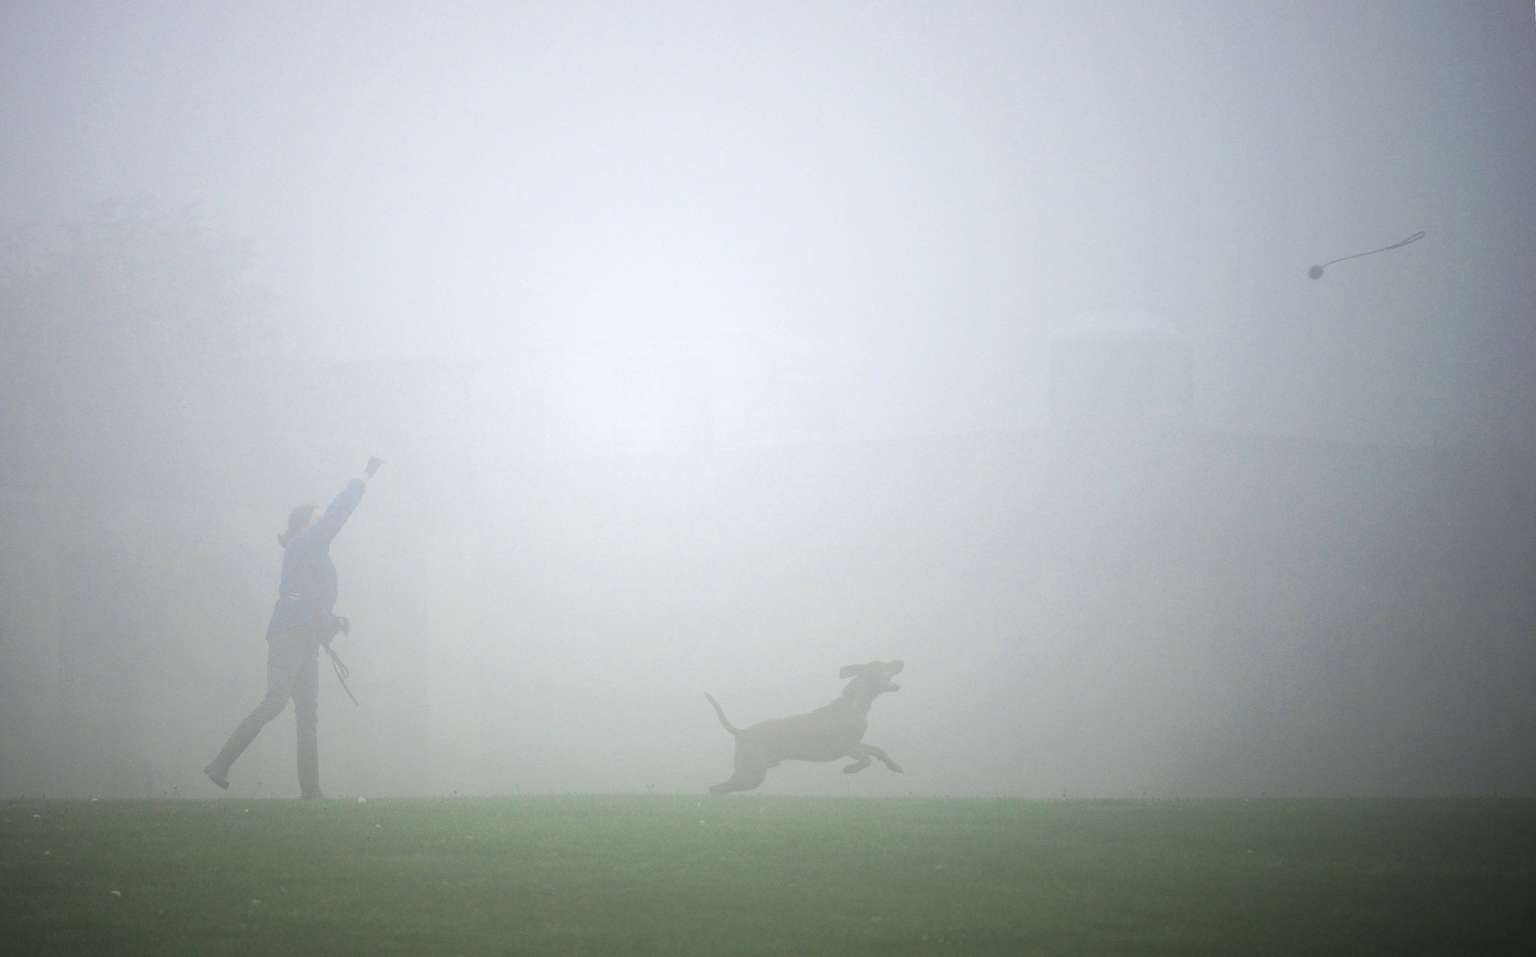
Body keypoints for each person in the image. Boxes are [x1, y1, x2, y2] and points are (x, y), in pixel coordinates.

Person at [204, 457, 383, 798]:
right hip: (290, 634)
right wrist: (363, 478)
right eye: (316, 518)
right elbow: (337, 514)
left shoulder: (310, 550)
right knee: (275, 701)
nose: (323, 522)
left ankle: (311, 792)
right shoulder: (306, 543)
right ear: (304, 525)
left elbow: (313, 598)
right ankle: (220, 764)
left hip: (305, 636)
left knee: (307, 715)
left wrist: (330, 621)